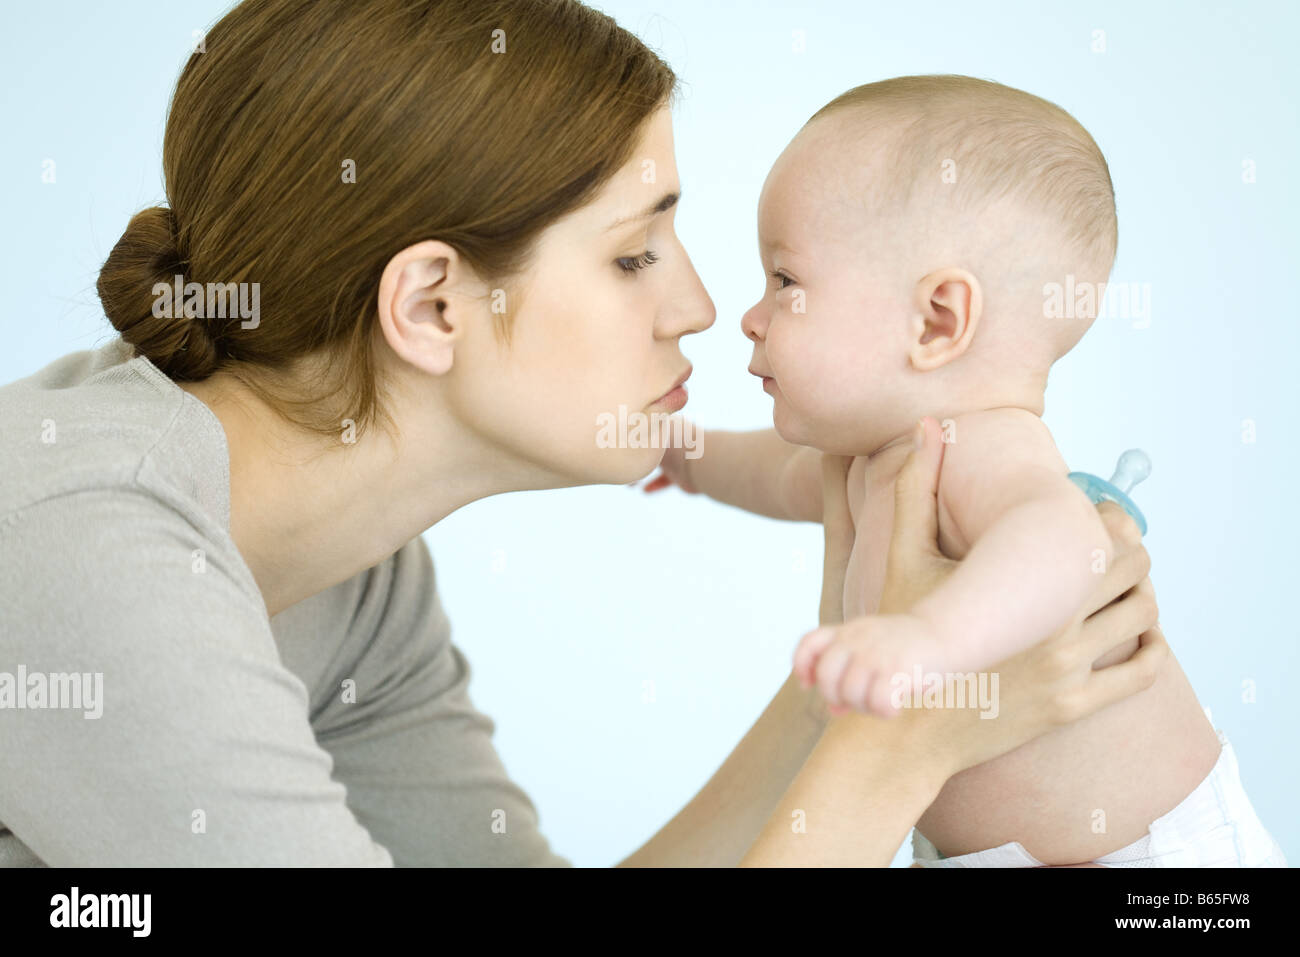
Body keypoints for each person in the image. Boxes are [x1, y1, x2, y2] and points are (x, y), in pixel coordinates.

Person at [0, 0, 1162, 867]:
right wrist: (906, 742)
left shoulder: (358, 583)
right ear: (432, 306)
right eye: (630, 254)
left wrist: (862, 655)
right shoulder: (78, 549)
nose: (702, 307)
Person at [648, 75, 1285, 868]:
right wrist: (690, 457)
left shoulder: (980, 446)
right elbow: (774, 475)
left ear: (937, 320)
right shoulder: (866, 461)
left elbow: (1062, 543)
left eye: (785, 281)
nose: (751, 315)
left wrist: (925, 640)